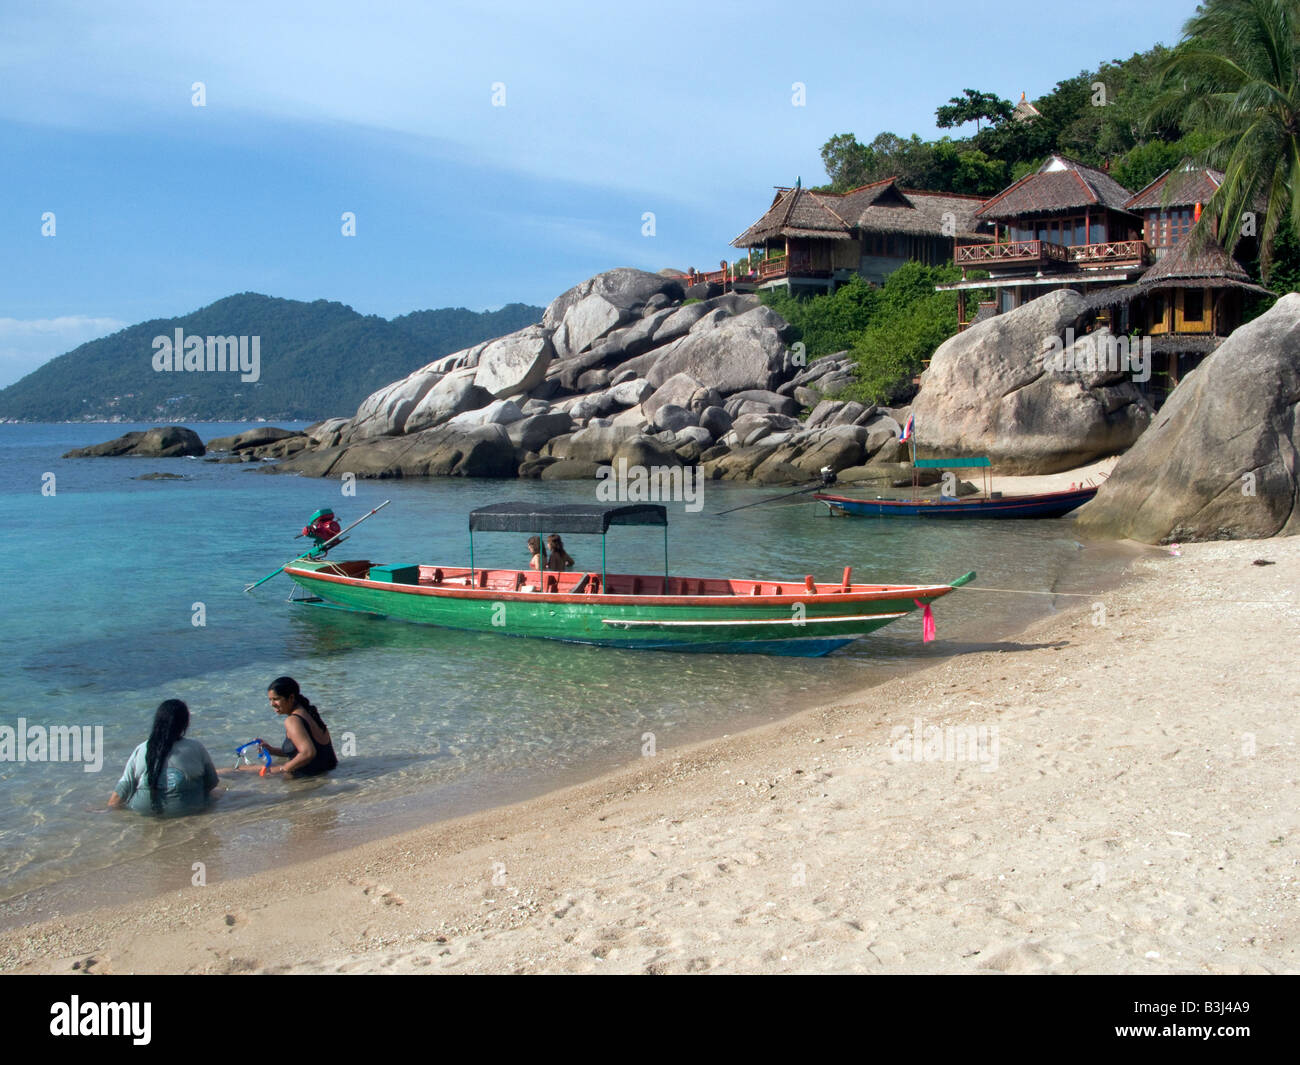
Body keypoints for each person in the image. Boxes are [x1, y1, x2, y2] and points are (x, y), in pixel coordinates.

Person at [109, 700, 220, 814]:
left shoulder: (142, 748)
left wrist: (109, 809)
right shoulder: (196, 747)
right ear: (185, 724)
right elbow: (212, 782)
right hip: (188, 808)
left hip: (144, 810)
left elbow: (123, 790)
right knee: (218, 793)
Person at [258, 676, 338, 777]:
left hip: (310, 781)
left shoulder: (292, 720)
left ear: (291, 697)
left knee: (238, 770)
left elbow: (308, 753)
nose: (272, 704)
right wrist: (272, 750)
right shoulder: (310, 713)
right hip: (328, 774)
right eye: (270, 700)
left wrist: (282, 769)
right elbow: (310, 751)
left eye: (276, 699)